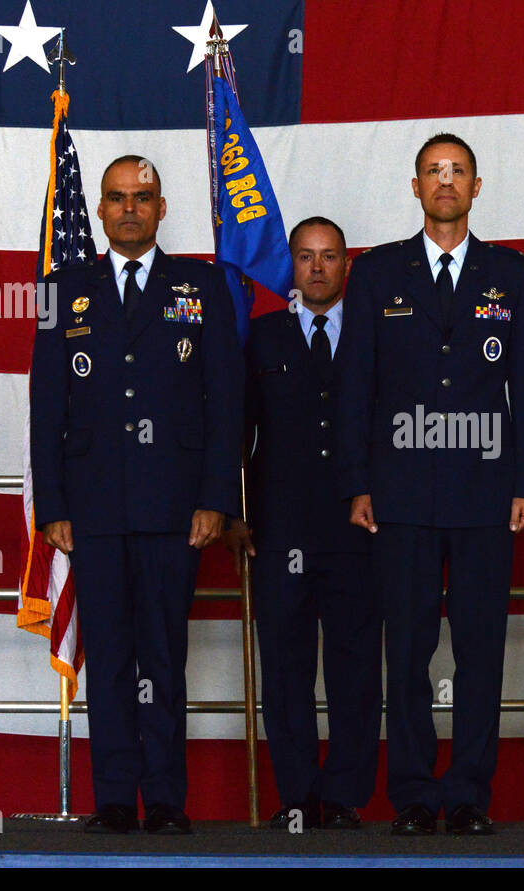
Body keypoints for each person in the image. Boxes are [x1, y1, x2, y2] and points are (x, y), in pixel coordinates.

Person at [336, 133, 524, 836]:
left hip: (489, 493)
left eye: (458, 172)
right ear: (415, 185)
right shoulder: (376, 274)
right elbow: (355, 387)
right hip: (400, 493)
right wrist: (357, 481)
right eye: (435, 172)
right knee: (408, 649)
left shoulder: (514, 274)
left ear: (477, 187)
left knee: (482, 648)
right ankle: (414, 795)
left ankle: (468, 795)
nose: (446, 182)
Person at [30, 155, 244, 835]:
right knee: (112, 657)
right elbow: (45, 404)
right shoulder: (61, 289)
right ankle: (117, 797)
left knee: (164, 657)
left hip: (174, 507)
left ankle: (168, 799)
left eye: (143, 197)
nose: (130, 208)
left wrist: (217, 495)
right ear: (98, 209)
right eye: (118, 198)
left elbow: (225, 402)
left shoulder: (201, 284)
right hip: (91, 510)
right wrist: (54, 503)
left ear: (161, 207)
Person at [223, 217, 382, 831]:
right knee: (286, 670)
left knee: (355, 669)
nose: (317, 268)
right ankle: (296, 794)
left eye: (330, 257)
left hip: (357, 528)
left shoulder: (376, 336)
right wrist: (232, 510)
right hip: (278, 529)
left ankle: (342, 797)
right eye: (306, 257)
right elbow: (236, 432)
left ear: (348, 265)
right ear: (290, 263)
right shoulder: (258, 338)